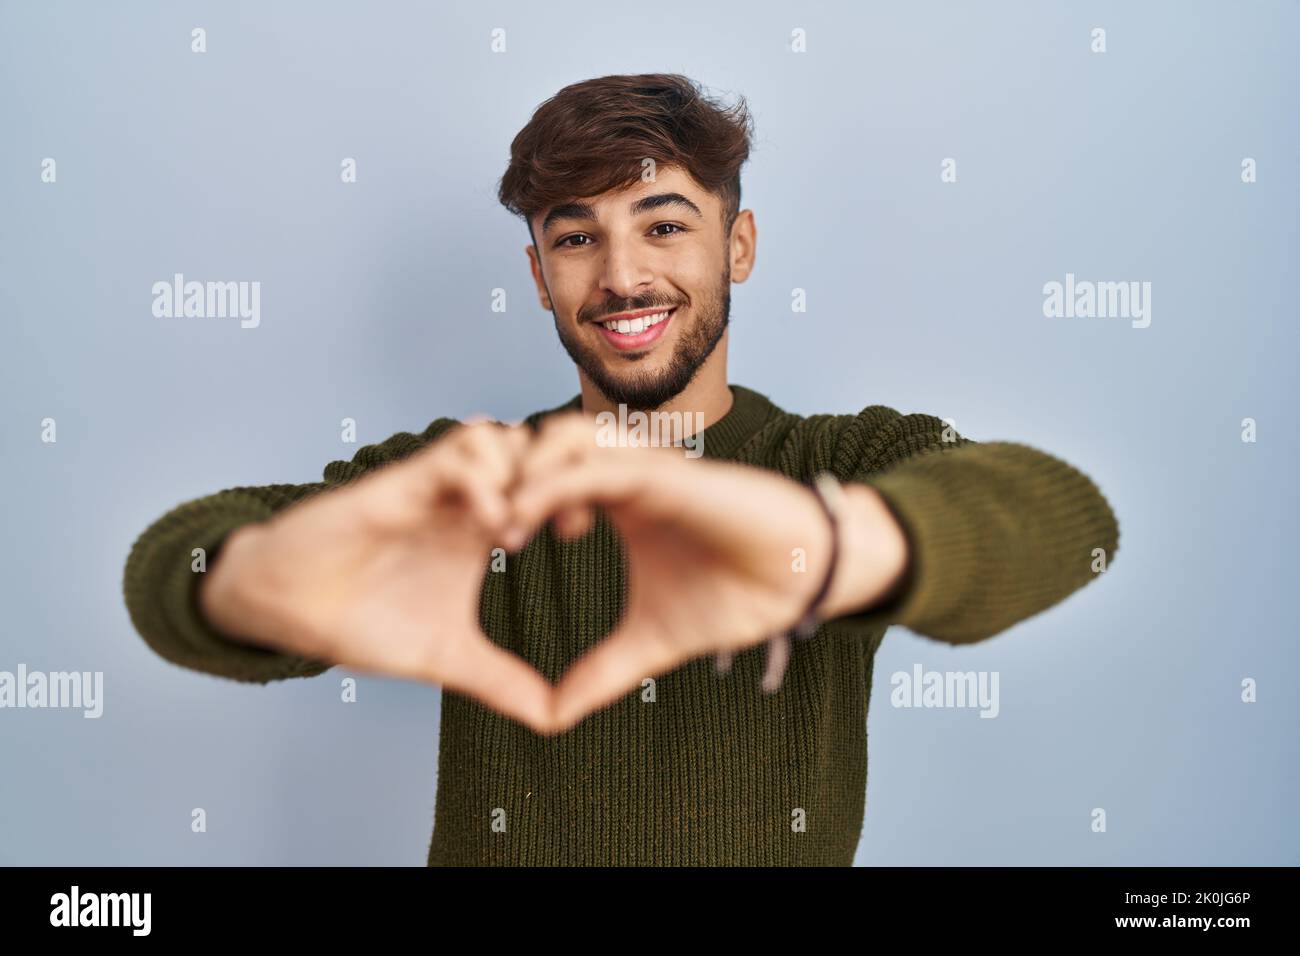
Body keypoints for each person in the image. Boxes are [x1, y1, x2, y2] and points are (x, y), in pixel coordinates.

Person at [122, 73, 1120, 866]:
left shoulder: (837, 463)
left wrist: (822, 548)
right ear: (537, 274)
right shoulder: (467, 479)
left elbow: (1073, 524)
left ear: (739, 245)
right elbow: (170, 562)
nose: (622, 276)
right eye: (574, 237)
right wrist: (256, 581)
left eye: (663, 224)